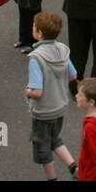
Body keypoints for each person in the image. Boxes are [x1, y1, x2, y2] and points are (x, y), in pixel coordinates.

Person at [25, 11, 78, 180]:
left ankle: (52, 178)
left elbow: (37, 90)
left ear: (39, 33)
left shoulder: (36, 58)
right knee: (55, 138)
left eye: (34, 27)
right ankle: (74, 168)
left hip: (43, 111)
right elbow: (73, 75)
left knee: (43, 149)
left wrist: (27, 91)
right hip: (60, 106)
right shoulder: (63, 50)